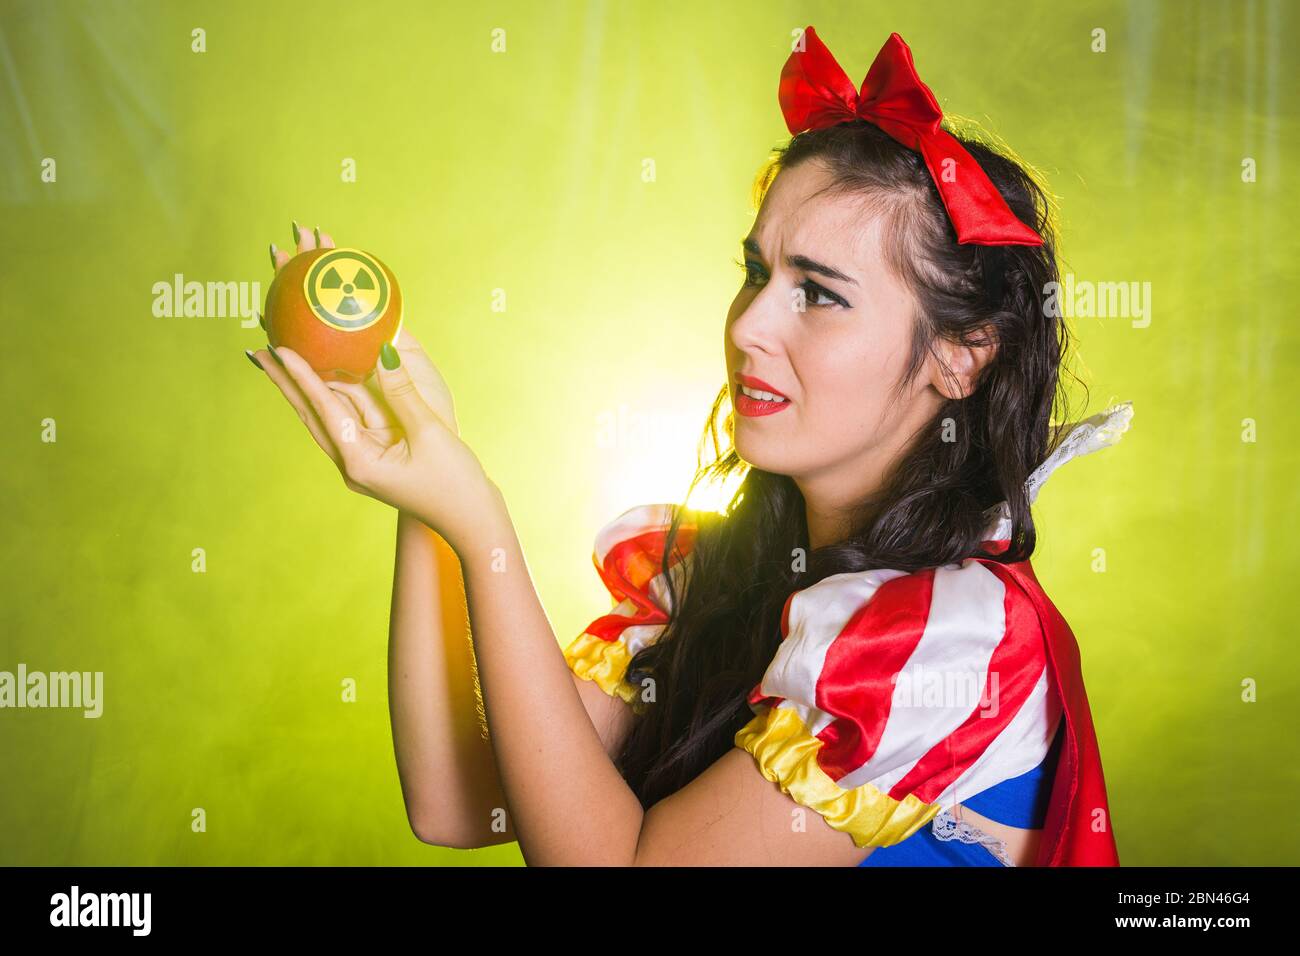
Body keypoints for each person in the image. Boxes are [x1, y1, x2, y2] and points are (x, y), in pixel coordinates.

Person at [247, 27, 1128, 866]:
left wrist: (482, 527)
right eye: (756, 273)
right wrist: (424, 491)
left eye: (818, 294)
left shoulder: (958, 640)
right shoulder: (725, 572)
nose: (749, 327)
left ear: (961, 354)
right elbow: (461, 799)